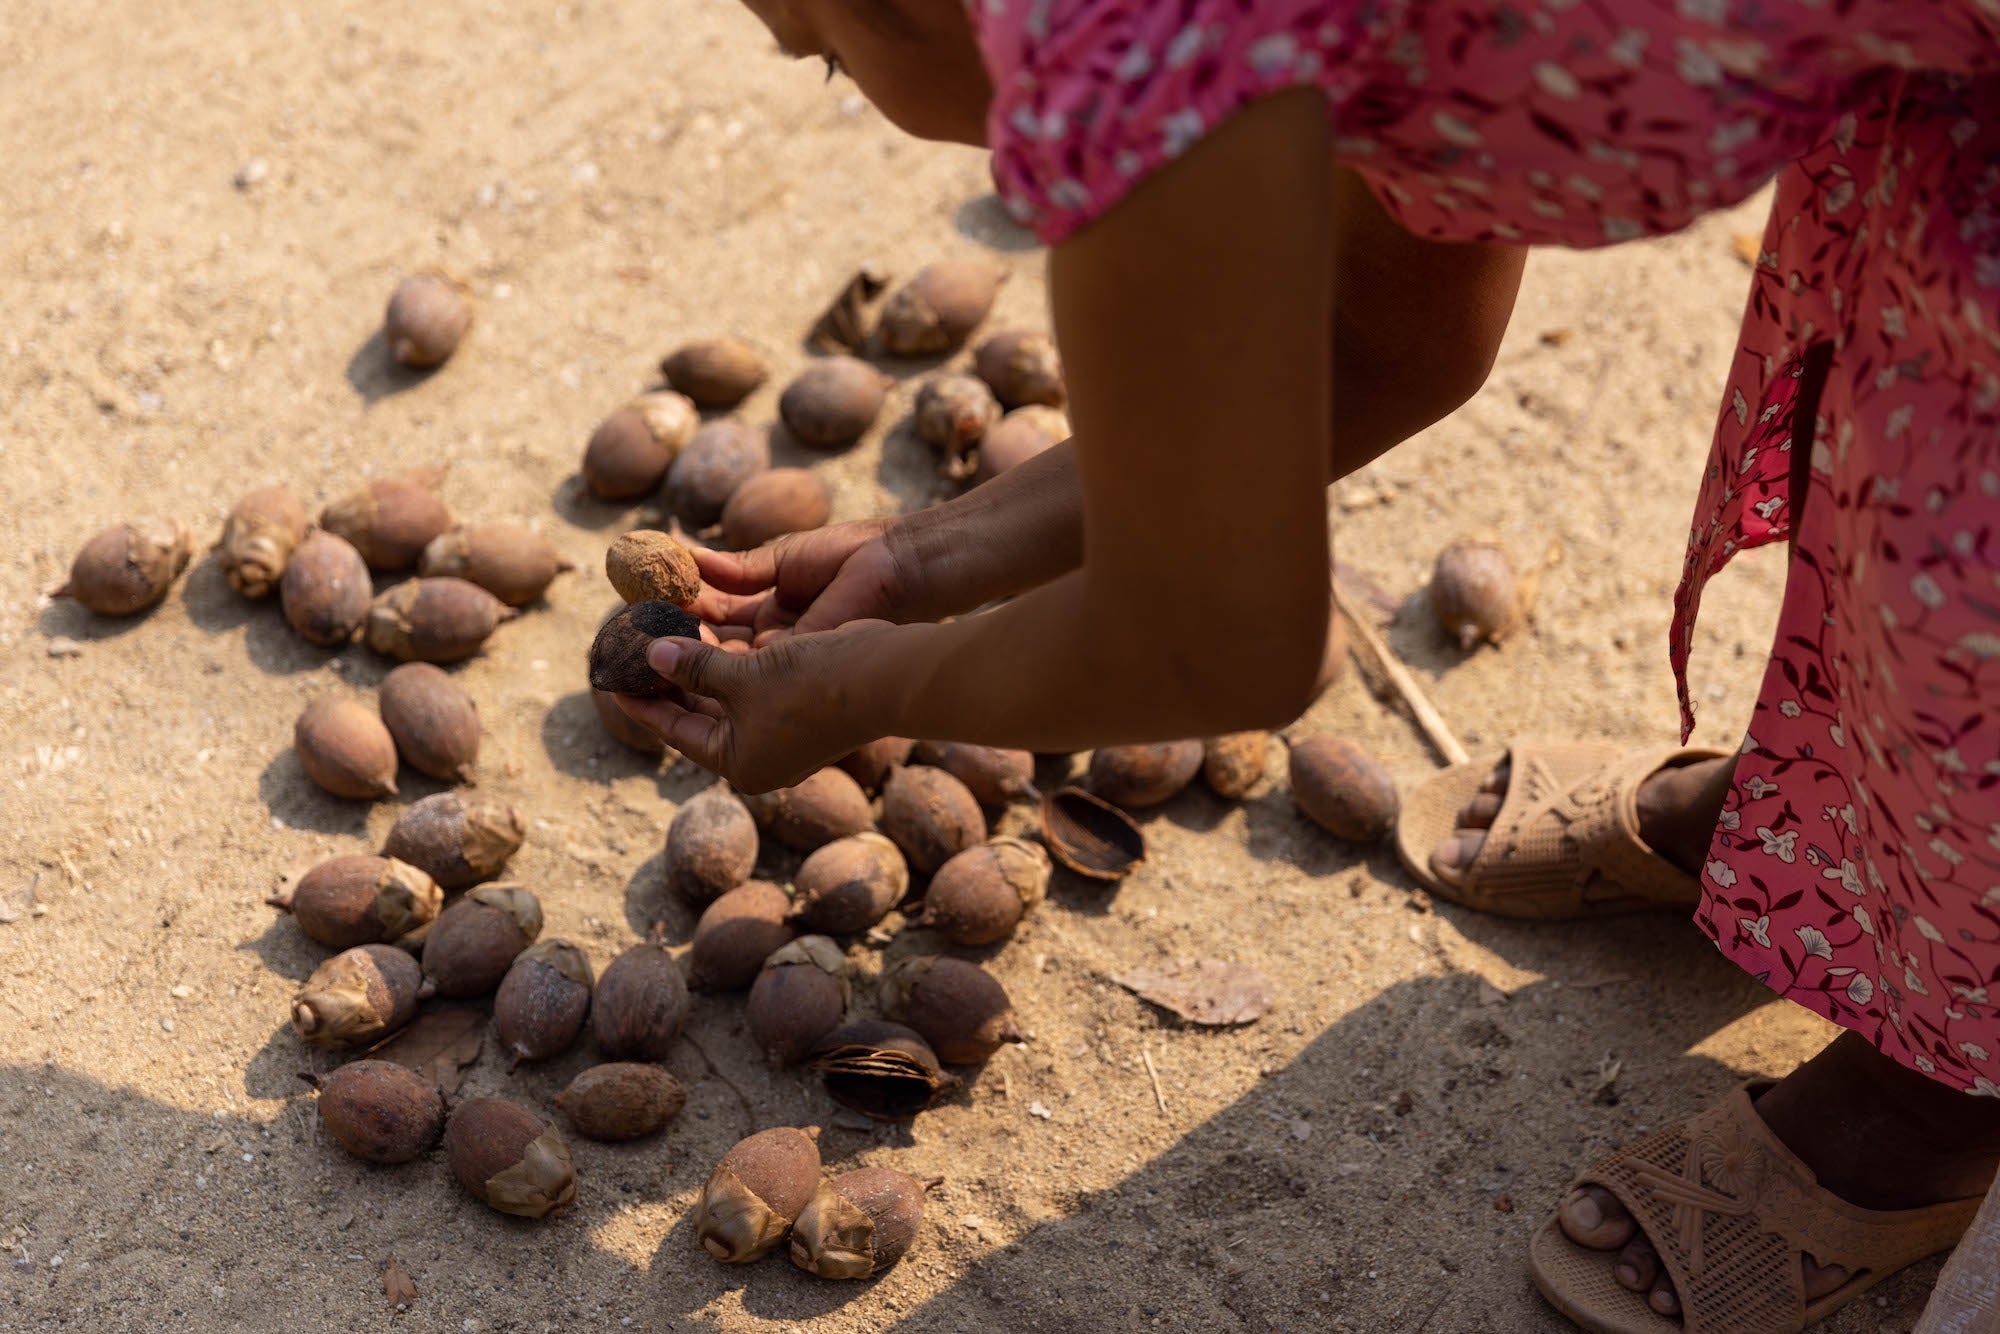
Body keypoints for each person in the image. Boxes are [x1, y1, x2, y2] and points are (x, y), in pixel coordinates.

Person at [619, 3, 2000, 1329]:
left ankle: (1942, 1083)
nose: (835, 80)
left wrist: (858, 691)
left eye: (818, 53)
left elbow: (1217, 639)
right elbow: (1373, 340)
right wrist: (923, 562)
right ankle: (1840, 834)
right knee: (1913, 544)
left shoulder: (1111, 44)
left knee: (1976, 568)